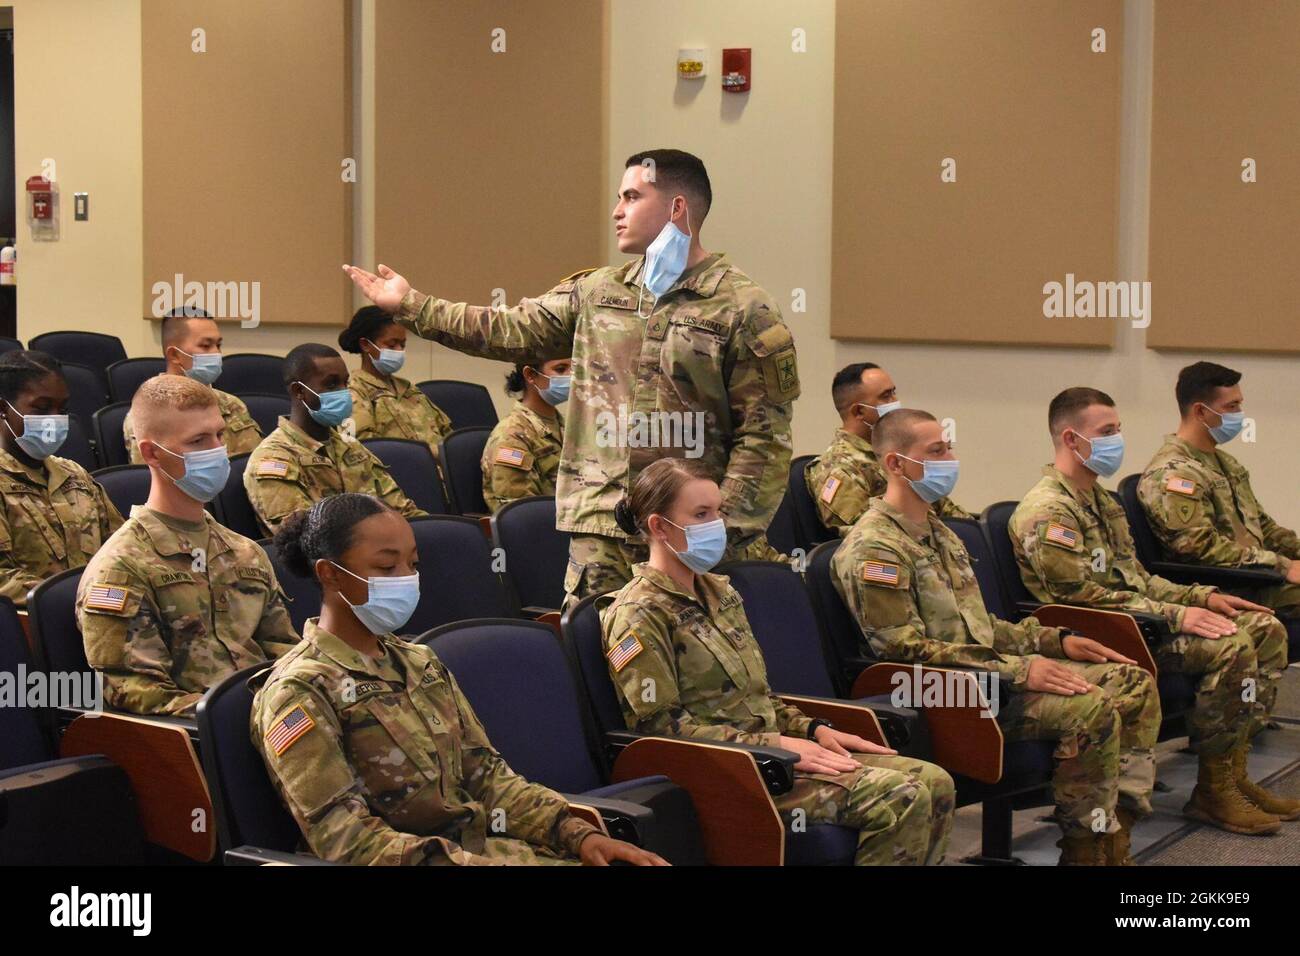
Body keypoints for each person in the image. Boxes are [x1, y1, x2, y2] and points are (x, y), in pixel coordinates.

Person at [345, 148, 796, 608]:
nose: (617, 211)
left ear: (677, 207)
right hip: (602, 526)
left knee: (690, 668)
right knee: (597, 660)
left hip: (689, 534)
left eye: (632, 197)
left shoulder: (743, 307)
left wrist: (724, 528)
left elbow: (764, 436)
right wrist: (411, 306)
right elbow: (507, 329)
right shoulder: (598, 291)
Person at [251, 493, 666, 866]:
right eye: (385, 565)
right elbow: (346, 842)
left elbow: (488, 778)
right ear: (330, 574)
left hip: (492, 851)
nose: (406, 578)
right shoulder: (298, 691)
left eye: (412, 564)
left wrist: (577, 834)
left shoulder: (419, 662)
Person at [833, 409, 1162, 864]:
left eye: (949, 447)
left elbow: (982, 627)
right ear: (894, 464)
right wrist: (1021, 670)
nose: (951, 458)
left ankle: (1112, 830)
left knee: (1129, 679)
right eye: (936, 451)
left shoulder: (939, 534)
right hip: (935, 693)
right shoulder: (875, 548)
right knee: (1088, 706)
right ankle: (1085, 849)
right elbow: (901, 650)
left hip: (985, 680)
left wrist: (1055, 641)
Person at [603, 457, 955, 866]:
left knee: (936, 781)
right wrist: (777, 744)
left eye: (717, 511)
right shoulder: (637, 613)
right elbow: (659, 730)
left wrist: (815, 729)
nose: (716, 524)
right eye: (701, 514)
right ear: (659, 527)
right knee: (903, 796)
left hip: (778, 759)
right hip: (728, 774)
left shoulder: (720, 593)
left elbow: (760, 698)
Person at [1009, 387, 1295, 832]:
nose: (1116, 440)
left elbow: (1138, 578)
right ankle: (1208, 794)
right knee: (1231, 644)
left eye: (1118, 429)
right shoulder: (1049, 512)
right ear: (1070, 439)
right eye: (1106, 432)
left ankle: (1228, 779)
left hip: (1143, 622)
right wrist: (1178, 615)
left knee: (1262, 626)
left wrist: (1200, 596)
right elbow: (1079, 600)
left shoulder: (1103, 502)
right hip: (1103, 637)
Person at [76, 375, 298, 716]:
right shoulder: (122, 567)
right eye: (198, 440)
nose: (217, 451)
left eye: (219, 435)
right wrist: (242, 718)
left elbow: (283, 650)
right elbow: (135, 692)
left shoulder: (245, 551)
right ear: (151, 452)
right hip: (202, 740)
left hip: (274, 721)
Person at [1139, 361, 1300, 615]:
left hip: (1255, 578)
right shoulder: (1174, 473)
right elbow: (1198, 548)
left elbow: (1263, 527)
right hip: (1222, 588)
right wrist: (1281, 565)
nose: (1240, 415)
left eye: (1240, 404)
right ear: (1201, 412)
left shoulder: (1225, 463)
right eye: (1231, 406)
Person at [244, 343, 427, 536]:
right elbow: (308, 540)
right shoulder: (273, 460)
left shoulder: (351, 447)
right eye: (331, 384)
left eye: (345, 383)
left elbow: (403, 512)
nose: (343, 392)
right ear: (299, 391)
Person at [0, 350, 122, 608]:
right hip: (32, 629)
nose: (54, 418)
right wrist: (86, 599)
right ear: (3, 408)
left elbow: (121, 552)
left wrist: (114, 599)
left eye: (62, 408)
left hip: (100, 616)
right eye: (42, 408)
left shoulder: (75, 474)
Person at [806, 363, 972, 534]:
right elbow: (863, 536)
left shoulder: (899, 449)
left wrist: (974, 534)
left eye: (894, 393)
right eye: (886, 397)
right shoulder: (839, 468)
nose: (895, 403)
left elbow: (942, 508)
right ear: (859, 412)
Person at [123, 307, 262, 463]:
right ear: (175, 355)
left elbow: (254, 465)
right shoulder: (148, 413)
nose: (216, 353)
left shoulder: (232, 405)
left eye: (218, 345)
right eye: (205, 345)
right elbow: (148, 478)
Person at [338, 305, 453, 460]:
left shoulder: (408, 389)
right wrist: (434, 454)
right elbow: (366, 450)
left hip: (440, 473)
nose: (399, 350)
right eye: (391, 345)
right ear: (365, 345)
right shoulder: (354, 393)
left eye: (403, 345)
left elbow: (447, 434)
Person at [481, 356, 569, 513]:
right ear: (530, 375)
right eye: (561, 369)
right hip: (543, 530)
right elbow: (520, 512)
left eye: (576, 368)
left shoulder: (563, 426)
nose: (572, 376)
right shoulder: (511, 437)